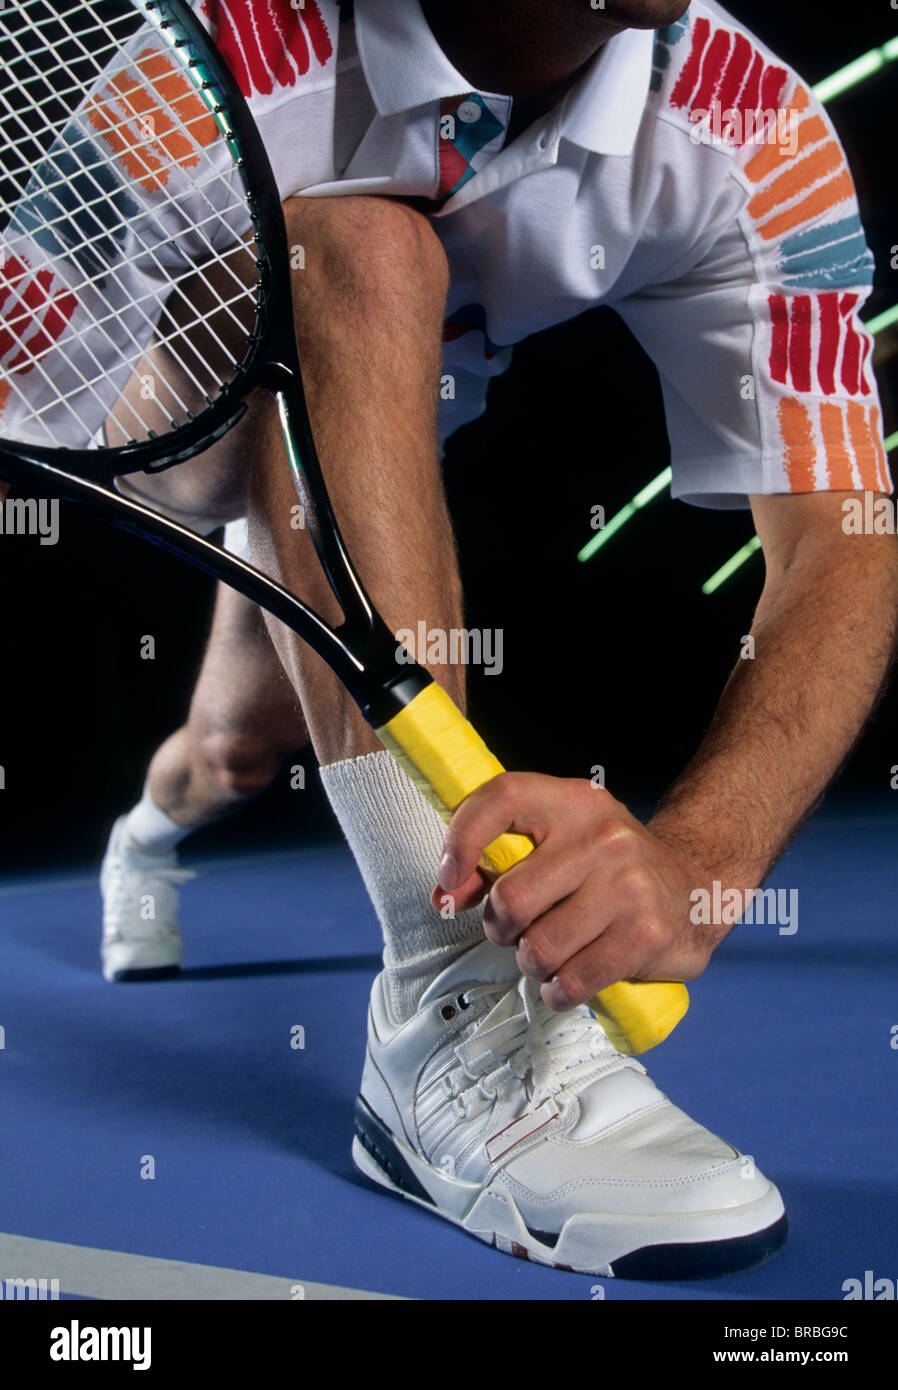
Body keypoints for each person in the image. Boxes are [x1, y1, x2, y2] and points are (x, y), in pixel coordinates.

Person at [16, 0, 898, 1277]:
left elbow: (847, 528)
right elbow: (25, 386)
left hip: (370, 452)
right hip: (176, 406)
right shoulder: (209, 63)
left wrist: (699, 856)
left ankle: (143, 832)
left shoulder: (755, 125)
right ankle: (448, 1012)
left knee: (232, 756)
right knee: (361, 247)